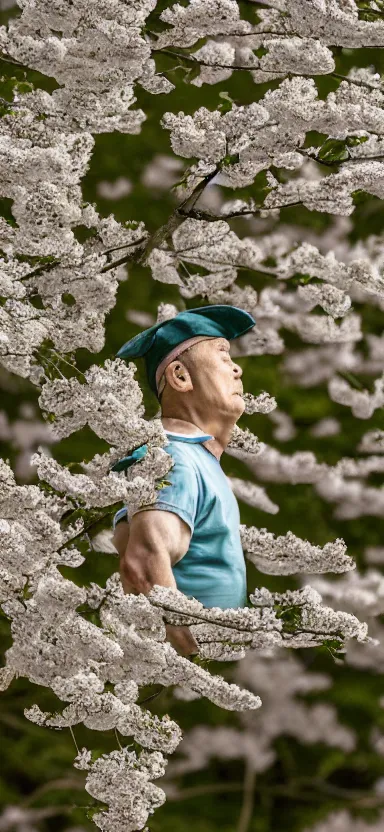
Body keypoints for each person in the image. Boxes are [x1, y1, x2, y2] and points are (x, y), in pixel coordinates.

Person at [111, 304, 256, 657]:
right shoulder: (175, 459)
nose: (237, 368)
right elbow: (143, 562)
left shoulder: (194, 459)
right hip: (194, 679)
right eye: (222, 355)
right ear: (180, 376)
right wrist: (195, 662)